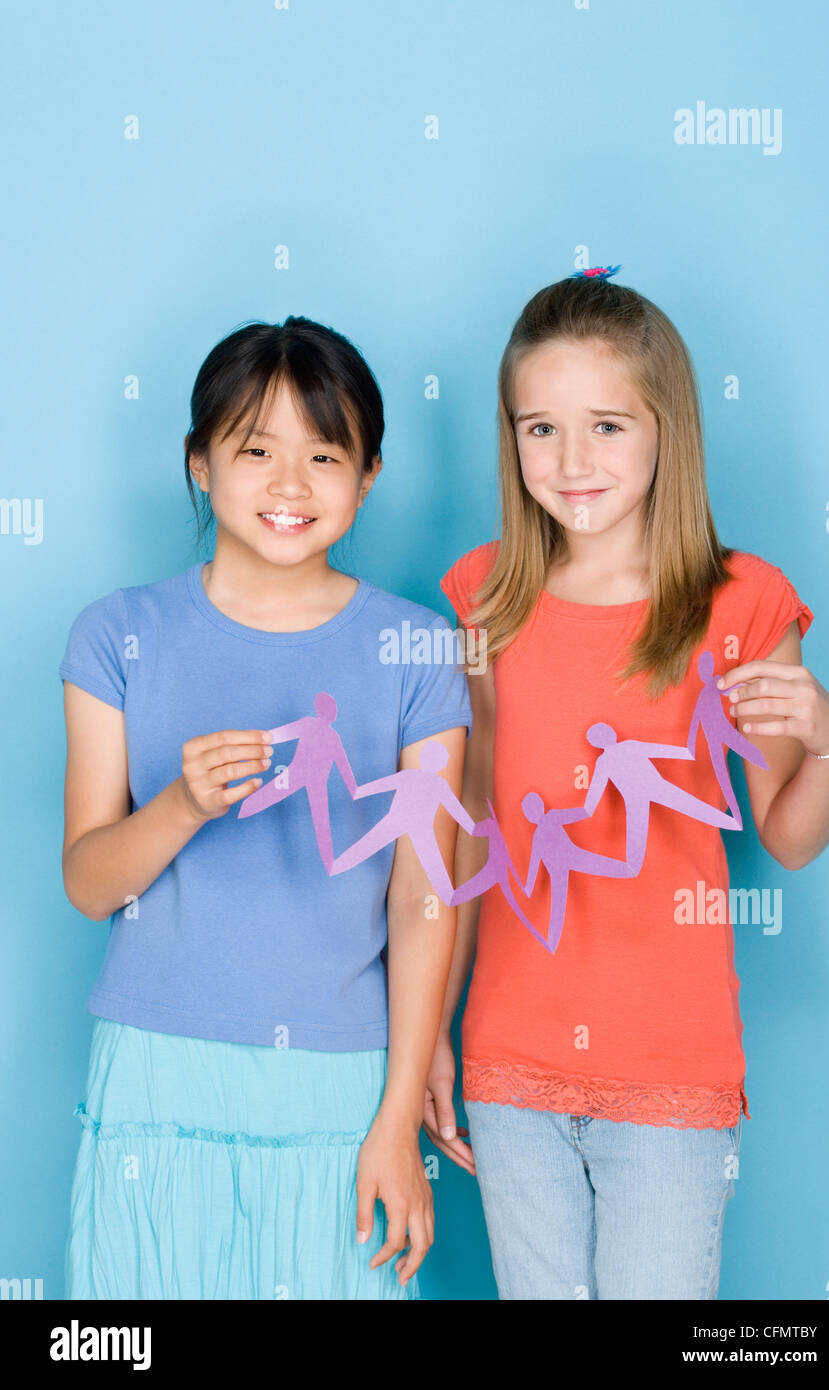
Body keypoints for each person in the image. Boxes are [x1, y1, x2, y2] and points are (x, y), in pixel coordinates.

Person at [426, 266, 829, 1300]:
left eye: (608, 426)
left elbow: (788, 838)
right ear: (510, 436)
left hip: (669, 1070)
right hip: (509, 1056)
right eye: (540, 428)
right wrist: (433, 1034)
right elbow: (470, 834)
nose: (572, 461)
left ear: (669, 429)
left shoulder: (740, 603)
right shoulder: (483, 596)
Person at [59, 314, 471, 1299]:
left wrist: (398, 1113)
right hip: (158, 1073)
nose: (291, 485)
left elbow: (423, 898)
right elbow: (86, 880)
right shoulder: (116, 634)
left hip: (340, 1082)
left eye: (326, 455)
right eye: (255, 450)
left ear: (367, 476)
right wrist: (184, 804)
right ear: (201, 463)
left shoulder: (418, 649)